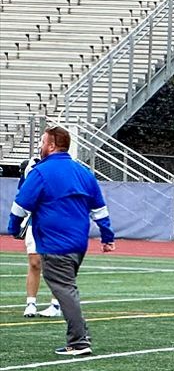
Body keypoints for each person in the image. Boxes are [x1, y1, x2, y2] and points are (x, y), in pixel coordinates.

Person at [8, 126, 115, 356]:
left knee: (65, 290)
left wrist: (12, 228)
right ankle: (78, 337)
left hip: (55, 242)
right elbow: (100, 209)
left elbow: (20, 204)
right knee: (66, 287)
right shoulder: (83, 172)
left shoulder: (41, 172)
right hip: (79, 243)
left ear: (52, 145)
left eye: (43, 142)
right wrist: (107, 237)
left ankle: (79, 341)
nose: (40, 146)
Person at [16, 157, 62, 319]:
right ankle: (30, 303)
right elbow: (22, 193)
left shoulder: (63, 168)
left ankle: (55, 304)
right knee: (34, 262)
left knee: (55, 264)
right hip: (35, 220)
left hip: (56, 221)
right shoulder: (33, 166)